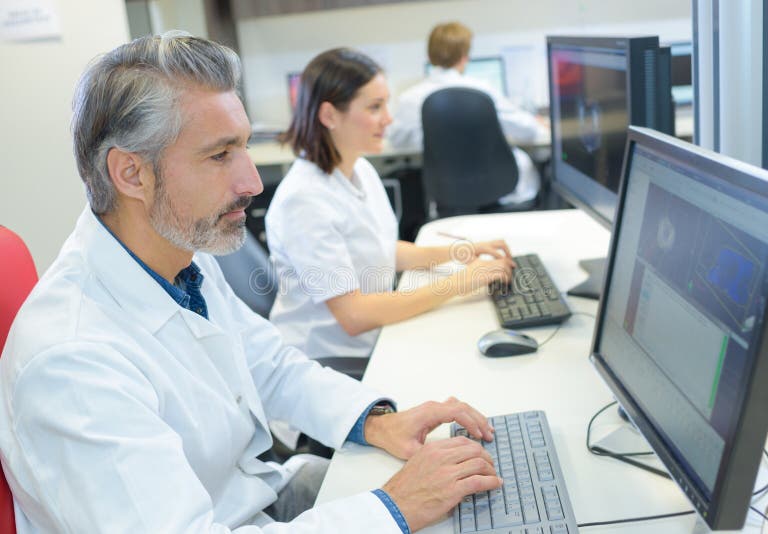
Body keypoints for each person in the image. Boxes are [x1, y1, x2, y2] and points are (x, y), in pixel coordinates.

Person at [0, 32, 503, 533]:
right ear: (131, 174)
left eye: (243, 146)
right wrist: (392, 509)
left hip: (260, 500)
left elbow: (270, 365)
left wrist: (374, 422)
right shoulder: (72, 363)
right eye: (220, 156)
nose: (253, 183)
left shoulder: (177, 256)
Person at [266, 48, 516, 360]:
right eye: (374, 107)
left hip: (375, 336)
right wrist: (461, 282)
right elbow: (354, 315)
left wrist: (462, 252)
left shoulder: (359, 169)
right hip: (331, 360)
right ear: (329, 115)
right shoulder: (303, 201)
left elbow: (381, 249)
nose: (388, 119)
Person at [387, 21, 548, 205]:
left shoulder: (410, 98)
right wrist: (537, 123)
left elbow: (396, 141)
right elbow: (528, 130)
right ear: (464, 56)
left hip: (444, 190)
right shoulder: (483, 90)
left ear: (430, 56)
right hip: (498, 187)